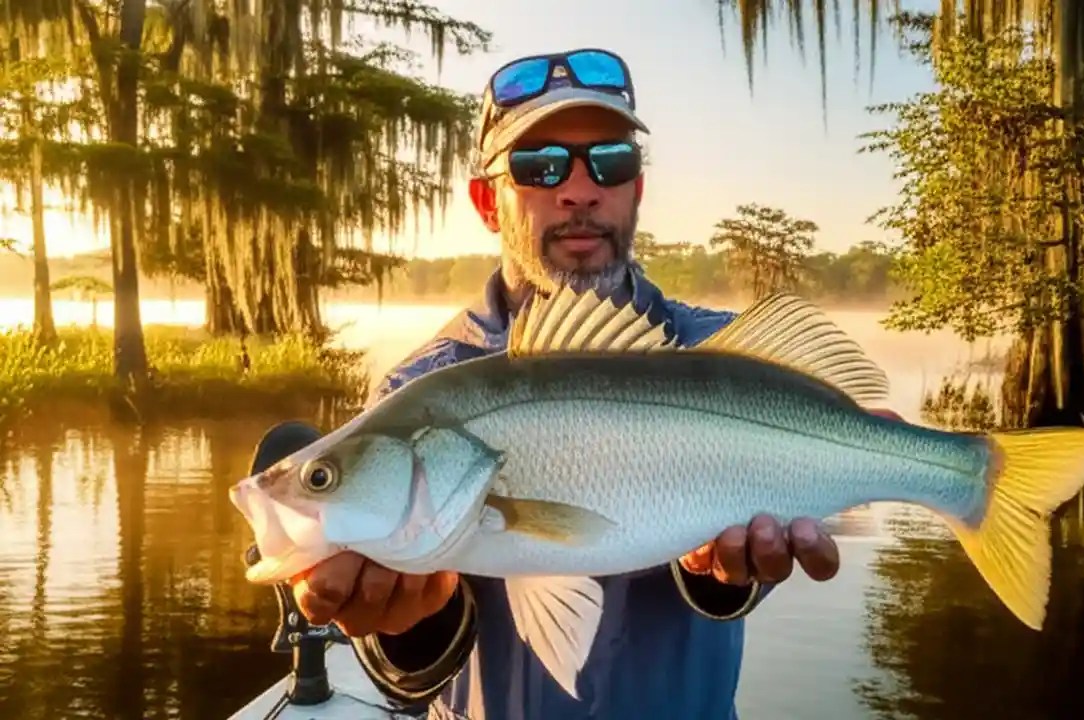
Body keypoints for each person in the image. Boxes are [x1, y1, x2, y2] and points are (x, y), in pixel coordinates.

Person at [262, 48, 902, 719]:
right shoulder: (420, 386)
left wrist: (717, 572)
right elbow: (406, 677)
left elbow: (740, 572)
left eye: (611, 161)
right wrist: (409, 614)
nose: (579, 190)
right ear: (487, 200)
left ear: (637, 189)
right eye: (538, 166)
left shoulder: (719, 353)